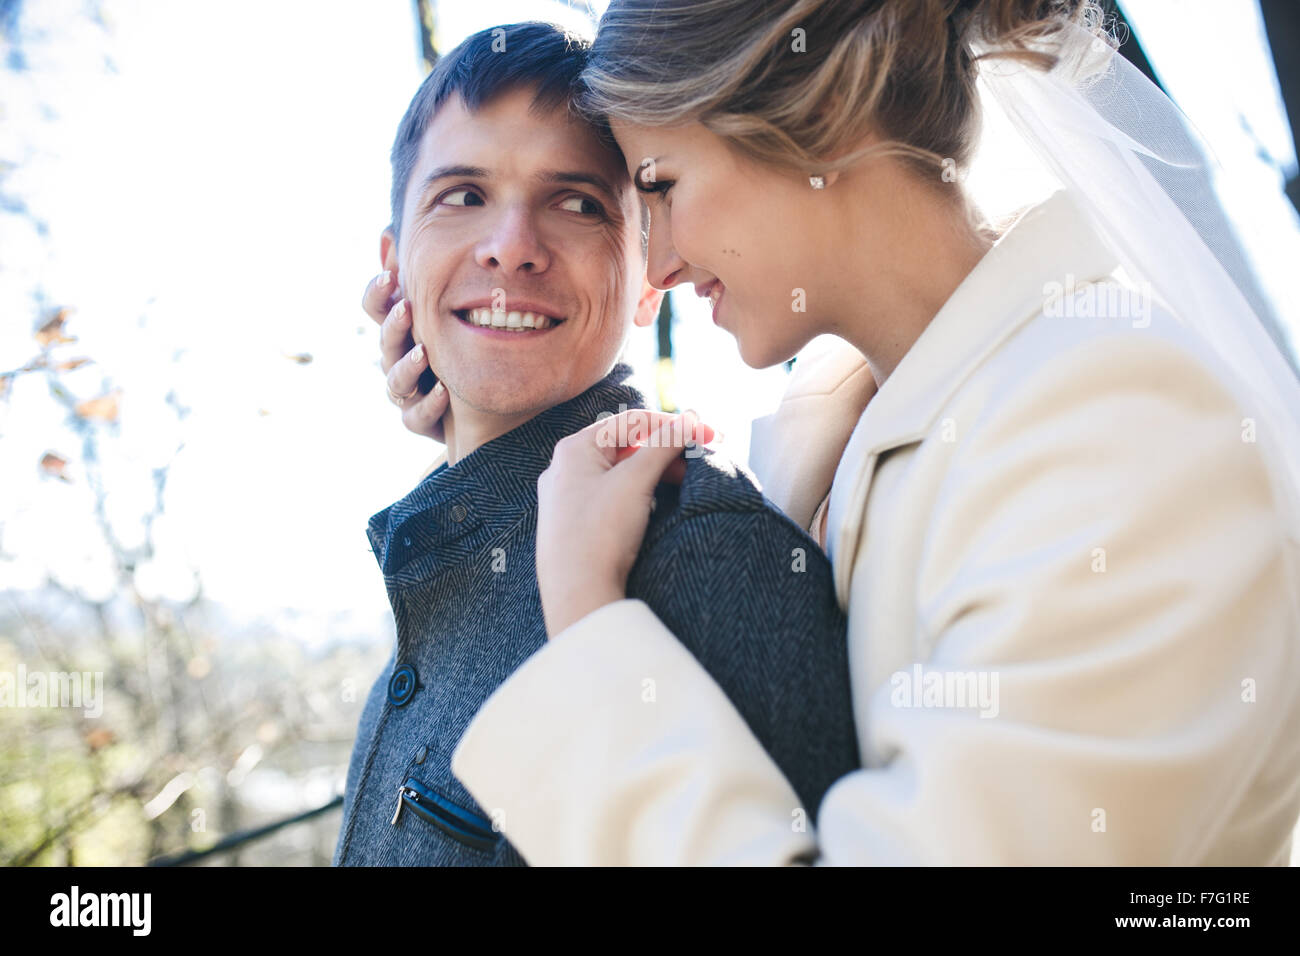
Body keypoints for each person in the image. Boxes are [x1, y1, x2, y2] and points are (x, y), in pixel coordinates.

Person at [368, 0, 1300, 865]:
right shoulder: (849, 421)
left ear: (825, 126)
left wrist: (585, 623)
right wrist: (486, 424)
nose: (658, 257)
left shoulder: (1122, 426)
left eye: (660, 183)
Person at [334, 21, 860, 867]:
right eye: (461, 195)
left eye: (575, 202)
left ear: (654, 278)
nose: (511, 247)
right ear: (393, 266)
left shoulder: (701, 549)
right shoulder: (433, 561)